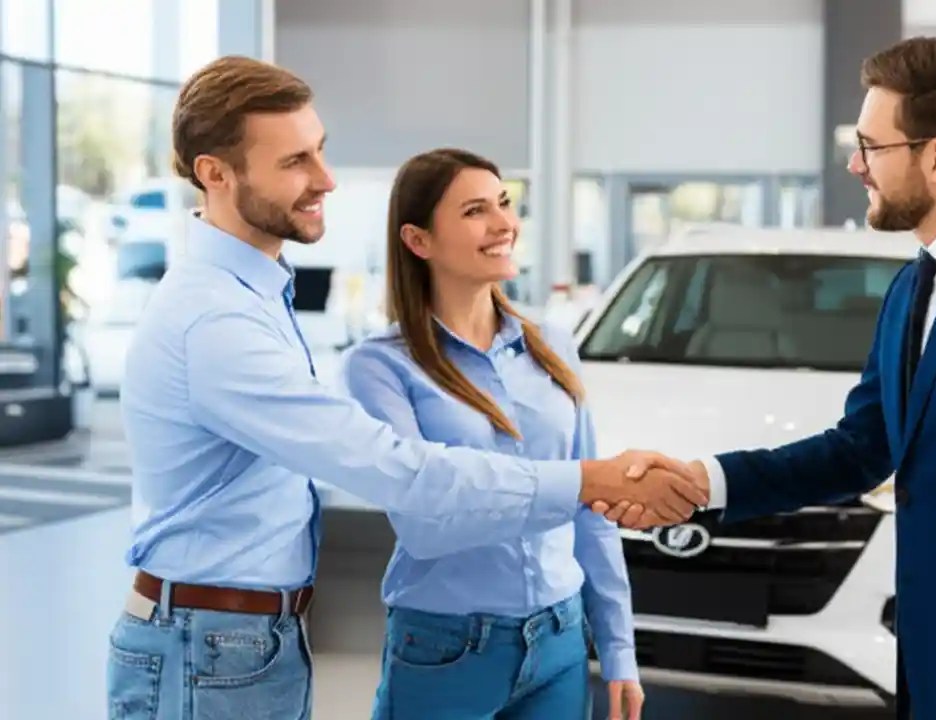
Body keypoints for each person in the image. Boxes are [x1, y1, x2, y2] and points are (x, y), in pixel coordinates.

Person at [108, 56, 700, 720]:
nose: (326, 180)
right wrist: (590, 481)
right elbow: (407, 480)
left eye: (321, 152)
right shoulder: (218, 321)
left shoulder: (257, 295)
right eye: (295, 162)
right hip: (215, 645)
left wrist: (615, 635)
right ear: (215, 174)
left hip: (248, 639)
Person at [605, 37, 936, 720]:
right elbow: (860, 448)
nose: (857, 165)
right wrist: (700, 481)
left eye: (871, 146)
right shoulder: (913, 287)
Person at [338, 148, 642, 720]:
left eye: (504, 203)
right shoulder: (380, 368)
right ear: (419, 240)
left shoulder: (553, 344)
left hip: (559, 640)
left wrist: (620, 648)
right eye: (476, 210)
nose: (504, 224)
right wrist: (570, 484)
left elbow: (592, 509)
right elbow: (424, 526)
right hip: (445, 649)